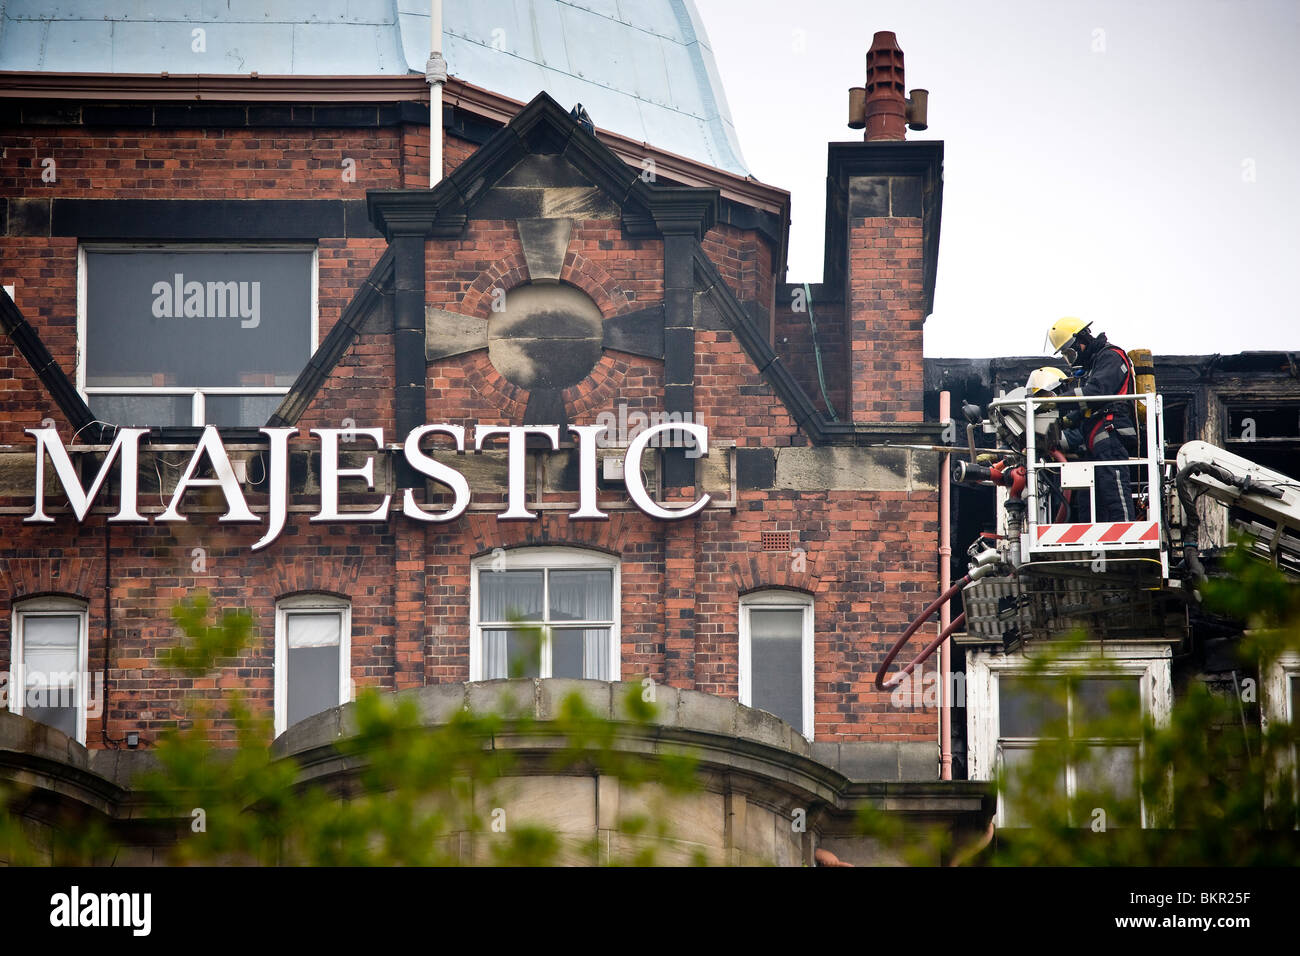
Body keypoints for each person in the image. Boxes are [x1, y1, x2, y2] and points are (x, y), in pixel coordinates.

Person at [1046, 317, 1138, 522]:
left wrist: (1057, 402)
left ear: (1082, 340)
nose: (1071, 359)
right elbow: (1088, 405)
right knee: (1089, 498)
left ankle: (1125, 535)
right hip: (1095, 439)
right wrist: (1066, 421)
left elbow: (1096, 393)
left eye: (1070, 353)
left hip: (1111, 432)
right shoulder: (1093, 365)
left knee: (1113, 489)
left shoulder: (1111, 356)